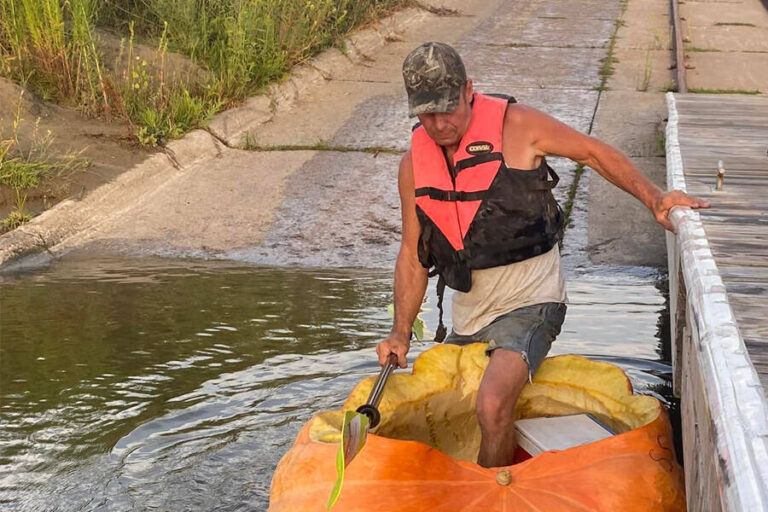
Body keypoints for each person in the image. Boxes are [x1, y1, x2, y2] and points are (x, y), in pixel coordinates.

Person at [375, 41, 709, 468]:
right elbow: (412, 255)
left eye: (448, 108)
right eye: (427, 113)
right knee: (447, 405)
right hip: (470, 313)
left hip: (531, 302)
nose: (440, 123)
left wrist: (655, 197)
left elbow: (593, 152)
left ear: (469, 91)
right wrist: (399, 333)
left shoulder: (518, 126)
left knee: (492, 403)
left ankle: (490, 496)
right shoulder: (413, 166)